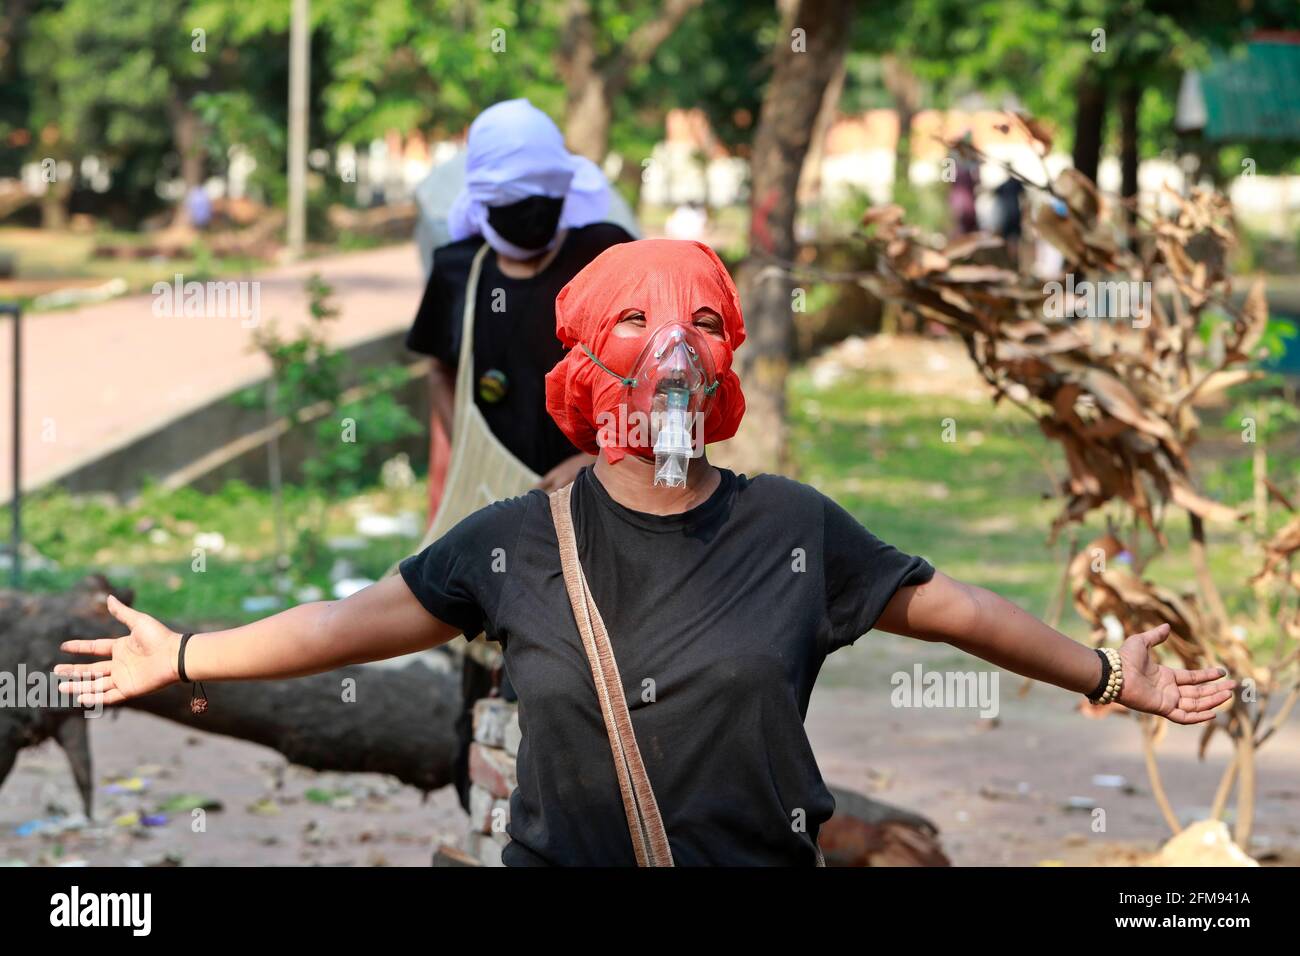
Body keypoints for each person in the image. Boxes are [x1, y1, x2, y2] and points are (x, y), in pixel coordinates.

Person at [56, 240, 1237, 867]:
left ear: (723, 365)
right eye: (636, 320)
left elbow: (958, 606)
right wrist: (191, 650)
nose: (671, 348)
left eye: (703, 323)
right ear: (586, 361)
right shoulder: (514, 540)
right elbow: (349, 620)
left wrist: (1106, 670)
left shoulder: (793, 529)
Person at [408, 99, 634, 505]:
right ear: (484, 199)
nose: (530, 214)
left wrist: (594, 458)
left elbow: (651, 371)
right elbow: (440, 371)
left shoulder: (603, 253)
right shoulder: (457, 269)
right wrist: (471, 452)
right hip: (495, 499)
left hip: (601, 496)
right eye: (515, 203)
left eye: (543, 200)